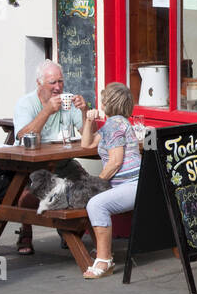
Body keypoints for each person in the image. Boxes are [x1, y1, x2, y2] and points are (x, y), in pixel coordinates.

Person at [12, 59, 86, 254]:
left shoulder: (67, 101)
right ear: (39, 83)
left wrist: (85, 111)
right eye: (52, 82)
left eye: (60, 82)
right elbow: (22, 136)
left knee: (89, 187)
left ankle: (69, 229)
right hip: (32, 165)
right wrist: (46, 111)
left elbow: (87, 134)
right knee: (31, 192)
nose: (58, 87)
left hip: (63, 161)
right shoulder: (26, 103)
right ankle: (25, 232)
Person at [77, 82, 143, 279]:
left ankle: (105, 260)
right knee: (93, 201)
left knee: (96, 204)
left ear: (109, 103)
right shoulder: (115, 123)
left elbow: (115, 162)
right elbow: (86, 143)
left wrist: (95, 184)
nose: (101, 102)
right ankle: (102, 252)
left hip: (132, 186)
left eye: (103, 99)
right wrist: (88, 119)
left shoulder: (114, 124)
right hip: (133, 185)